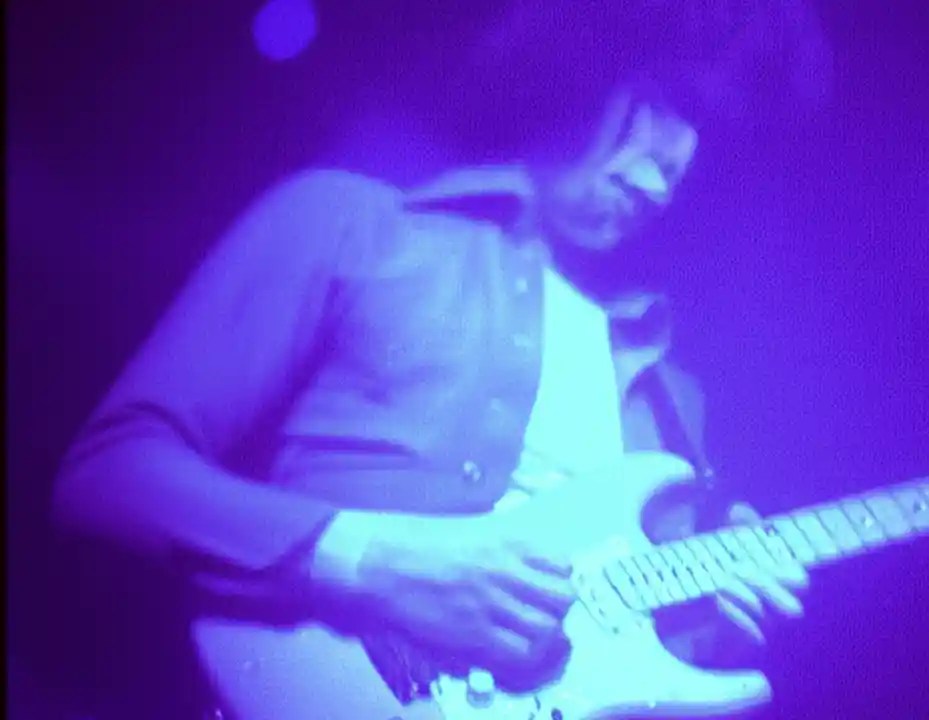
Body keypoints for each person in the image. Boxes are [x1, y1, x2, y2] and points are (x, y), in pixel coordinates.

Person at [52, 0, 832, 714]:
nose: (677, 163)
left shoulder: (676, 400)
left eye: (715, 134)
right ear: (583, 66)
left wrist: (715, 630)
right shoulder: (352, 223)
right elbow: (109, 474)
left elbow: (622, 667)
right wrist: (377, 566)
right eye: (669, 101)